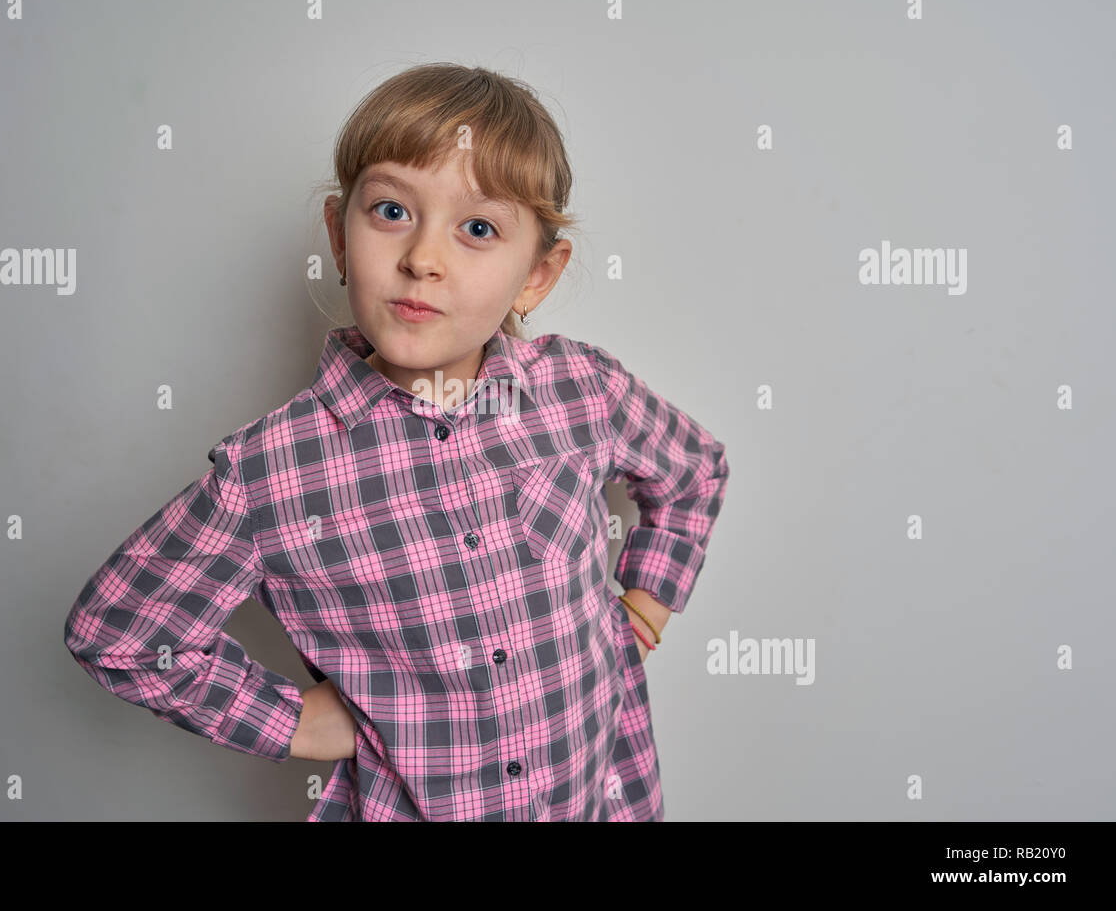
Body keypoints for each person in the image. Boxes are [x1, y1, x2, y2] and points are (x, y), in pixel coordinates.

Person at [63, 62, 730, 821]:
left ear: (536, 277)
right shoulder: (272, 473)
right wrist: (291, 722)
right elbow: (118, 635)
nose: (423, 259)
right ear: (338, 236)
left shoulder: (579, 390)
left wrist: (645, 602)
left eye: (478, 229)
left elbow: (694, 472)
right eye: (389, 211)